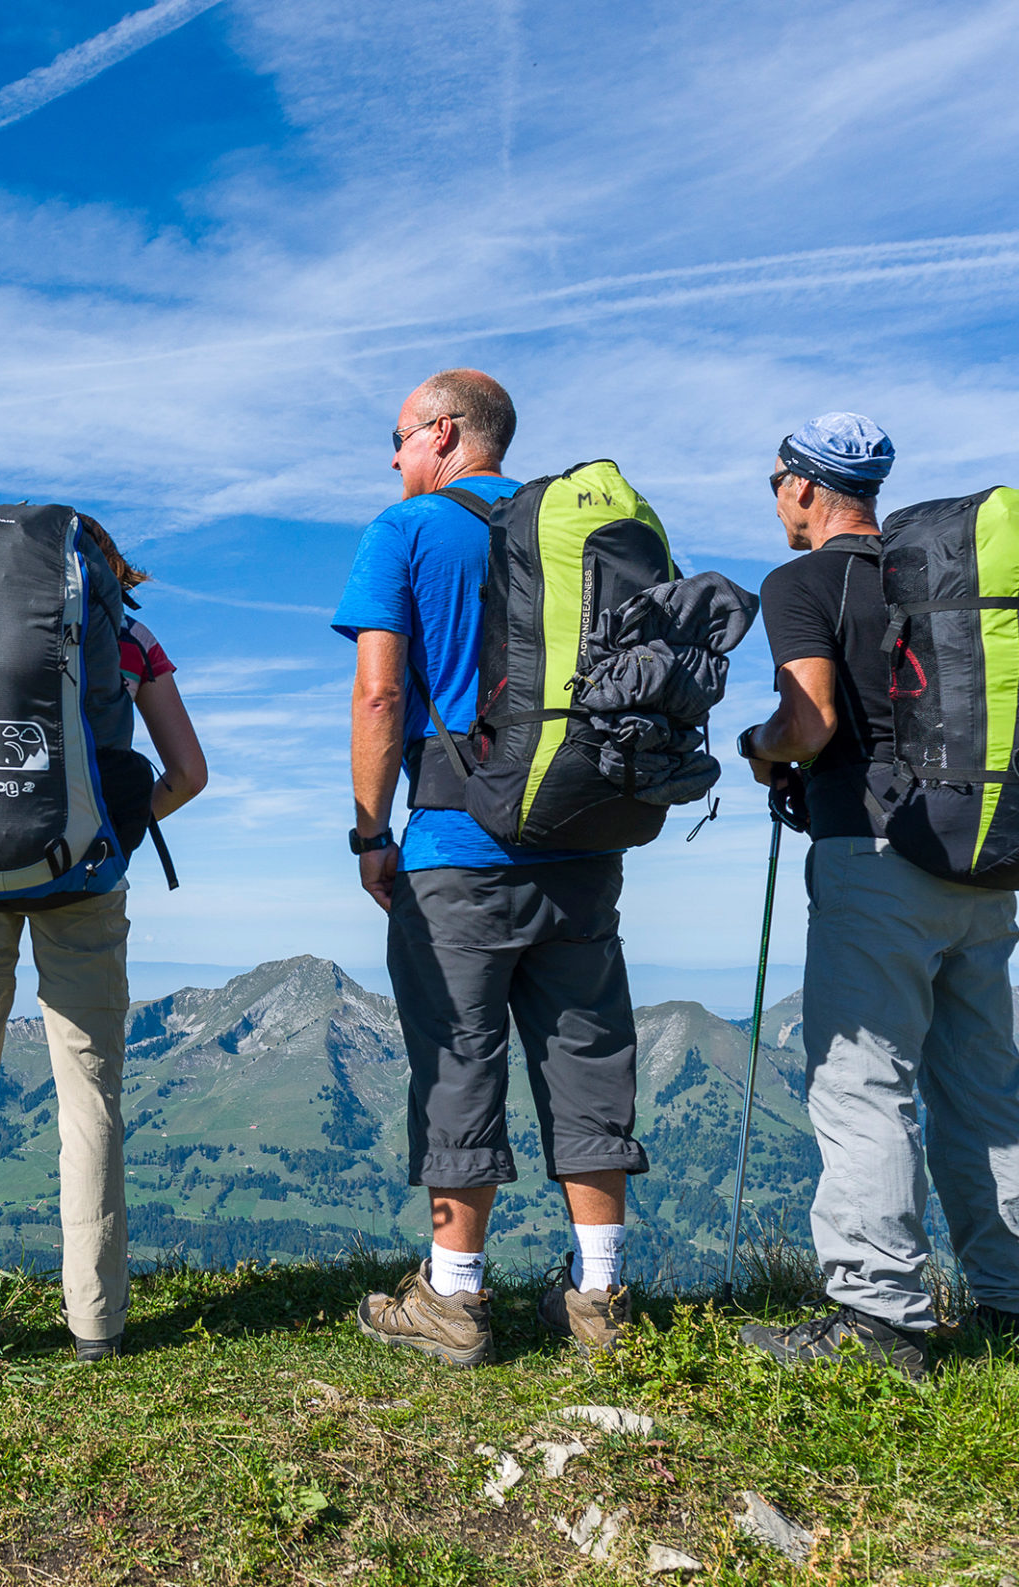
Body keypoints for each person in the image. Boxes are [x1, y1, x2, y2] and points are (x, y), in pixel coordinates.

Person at [735, 413, 1019, 1380]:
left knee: (863, 1085)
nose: (778, 501)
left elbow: (810, 719)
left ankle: (877, 1320)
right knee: (983, 1085)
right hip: (977, 858)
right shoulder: (928, 577)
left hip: (872, 858)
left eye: (776, 484)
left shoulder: (803, 581)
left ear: (802, 486)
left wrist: (759, 747)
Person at [336, 368, 647, 1368]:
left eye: (397, 437)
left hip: (456, 847)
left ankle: (454, 1297)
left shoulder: (408, 533)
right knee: (587, 1055)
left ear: (444, 432)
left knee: (457, 1055)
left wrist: (368, 832)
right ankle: (600, 1295)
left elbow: (381, 697)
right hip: (584, 840)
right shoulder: (573, 536)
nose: (391, 459)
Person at [0, 517, 209, 1366]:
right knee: (88, 1093)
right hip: (81, 882)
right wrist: (102, 828)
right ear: (95, 578)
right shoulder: (129, 637)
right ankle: (96, 1322)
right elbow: (188, 772)